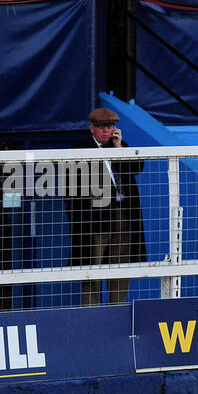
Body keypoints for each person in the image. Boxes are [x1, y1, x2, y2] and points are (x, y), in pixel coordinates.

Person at [69, 107, 146, 306]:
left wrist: (119, 149)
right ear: (91, 128)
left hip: (122, 215)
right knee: (91, 269)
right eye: (102, 127)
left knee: (120, 268)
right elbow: (70, 190)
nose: (106, 131)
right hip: (95, 218)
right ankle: (92, 315)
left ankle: (117, 311)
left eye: (110, 126)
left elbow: (138, 167)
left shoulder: (120, 146)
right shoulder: (80, 149)